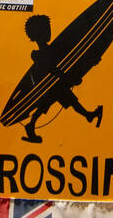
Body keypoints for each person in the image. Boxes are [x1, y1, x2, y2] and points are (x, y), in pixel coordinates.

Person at [19, 13, 103, 143]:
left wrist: (88, 64)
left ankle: (88, 115)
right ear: (38, 34)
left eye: (49, 29)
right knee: (53, 103)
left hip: (56, 84)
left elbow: (66, 62)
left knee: (67, 102)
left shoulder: (49, 49)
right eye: (46, 30)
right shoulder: (38, 54)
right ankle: (88, 115)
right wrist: (69, 78)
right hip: (51, 86)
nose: (49, 32)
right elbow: (53, 69)